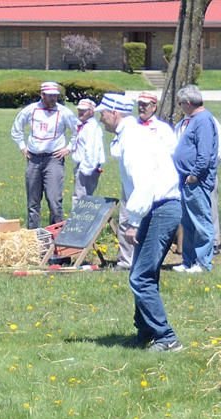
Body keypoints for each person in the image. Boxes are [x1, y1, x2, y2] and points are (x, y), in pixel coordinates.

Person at [96, 93, 183, 352]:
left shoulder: (134, 139)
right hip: (158, 208)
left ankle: (166, 337)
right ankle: (145, 331)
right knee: (144, 273)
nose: (101, 118)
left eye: (103, 113)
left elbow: (145, 183)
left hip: (159, 208)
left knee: (141, 276)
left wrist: (133, 220)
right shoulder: (133, 135)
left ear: (115, 113)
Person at [113, 92, 177, 271]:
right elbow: (115, 150)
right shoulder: (129, 127)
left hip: (153, 182)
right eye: (139, 104)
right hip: (132, 179)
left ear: (154, 107)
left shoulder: (162, 129)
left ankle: (144, 260)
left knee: (148, 222)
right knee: (126, 218)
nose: (141, 107)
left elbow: (171, 151)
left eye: (146, 104)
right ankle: (125, 260)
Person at [10, 81, 79, 229]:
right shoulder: (30, 110)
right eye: (50, 95)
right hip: (34, 159)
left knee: (54, 201)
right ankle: (33, 235)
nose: (53, 98)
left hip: (54, 159)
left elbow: (78, 130)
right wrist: (22, 147)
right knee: (33, 202)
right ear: (42, 95)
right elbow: (16, 128)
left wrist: (68, 148)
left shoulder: (64, 112)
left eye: (55, 95)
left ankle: (56, 235)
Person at [171, 85, 218, 273]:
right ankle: (189, 261)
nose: (180, 106)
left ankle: (203, 262)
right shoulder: (194, 119)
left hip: (196, 181)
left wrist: (194, 175)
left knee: (201, 222)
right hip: (186, 179)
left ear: (188, 103)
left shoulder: (203, 120)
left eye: (180, 103)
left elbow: (204, 154)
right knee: (188, 223)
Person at [69, 98, 105, 209]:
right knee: (81, 198)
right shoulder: (84, 125)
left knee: (80, 199)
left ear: (91, 111)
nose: (80, 112)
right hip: (83, 166)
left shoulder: (91, 127)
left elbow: (91, 150)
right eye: (79, 110)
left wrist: (85, 169)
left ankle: (78, 219)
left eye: (84, 110)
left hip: (86, 167)